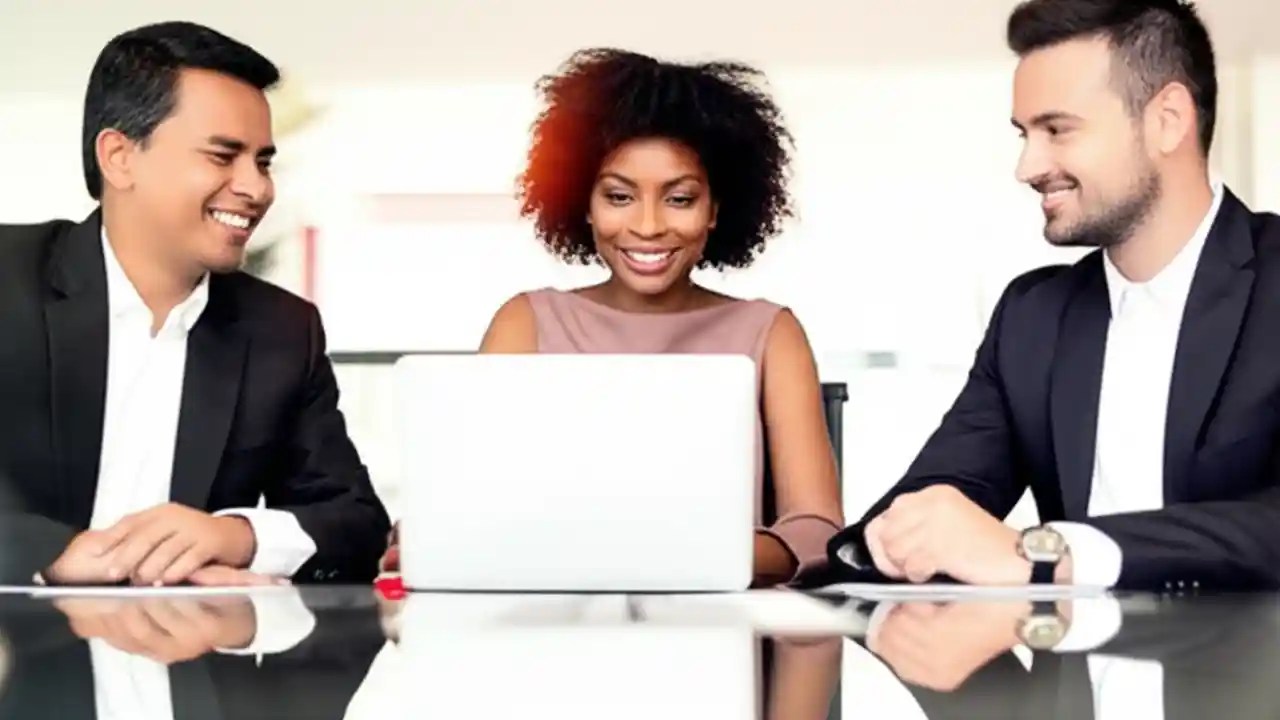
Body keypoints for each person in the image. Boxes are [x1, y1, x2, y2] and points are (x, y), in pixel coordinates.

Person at [827, 0, 1280, 592]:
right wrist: (892, 543)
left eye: (1057, 129)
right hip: (1065, 674)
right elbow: (929, 506)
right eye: (1024, 134)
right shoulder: (1032, 316)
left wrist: (1054, 555)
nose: (1027, 166)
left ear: (1168, 119)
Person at [384, 48, 843, 586]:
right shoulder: (526, 321)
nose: (647, 226)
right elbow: (465, 508)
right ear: (585, 204)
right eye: (620, 196)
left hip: (719, 631)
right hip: (550, 628)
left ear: (716, 209)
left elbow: (816, 534)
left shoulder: (769, 333)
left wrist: (668, 555)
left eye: (680, 198)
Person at [0, 21, 389, 587]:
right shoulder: (8, 280)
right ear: (119, 157)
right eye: (222, 156)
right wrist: (52, 553)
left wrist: (235, 537)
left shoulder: (280, 330)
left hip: (194, 659)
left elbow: (355, 524)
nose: (255, 188)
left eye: (262, 161)